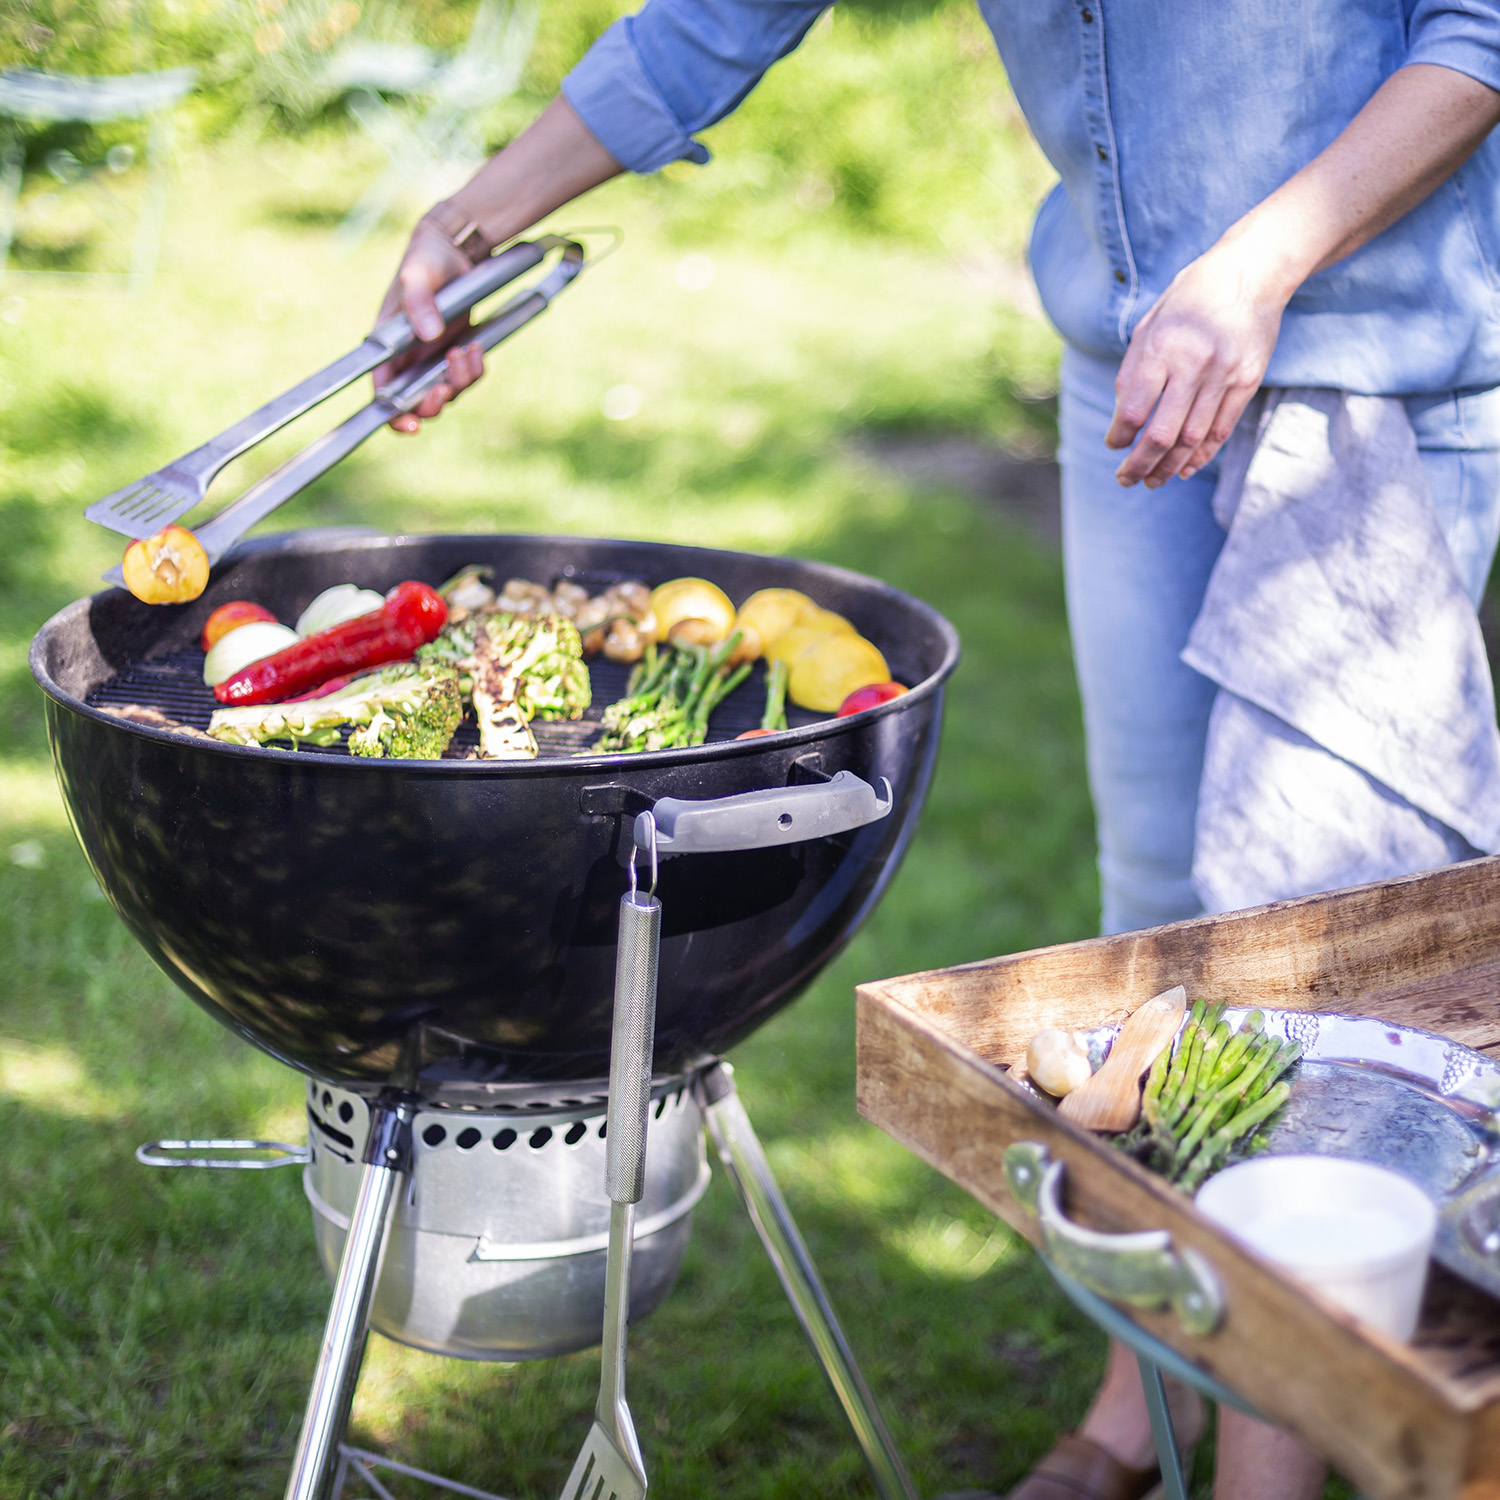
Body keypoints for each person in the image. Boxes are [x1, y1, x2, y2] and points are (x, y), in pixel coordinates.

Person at [374, 3, 1500, 1496]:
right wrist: (467, 223)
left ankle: (1260, 1468)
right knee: (1161, 918)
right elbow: (720, 15)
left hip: (1371, 372)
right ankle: (1143, 1388)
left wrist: (1255, 266)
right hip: (1141, 365)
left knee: (1297, 952)